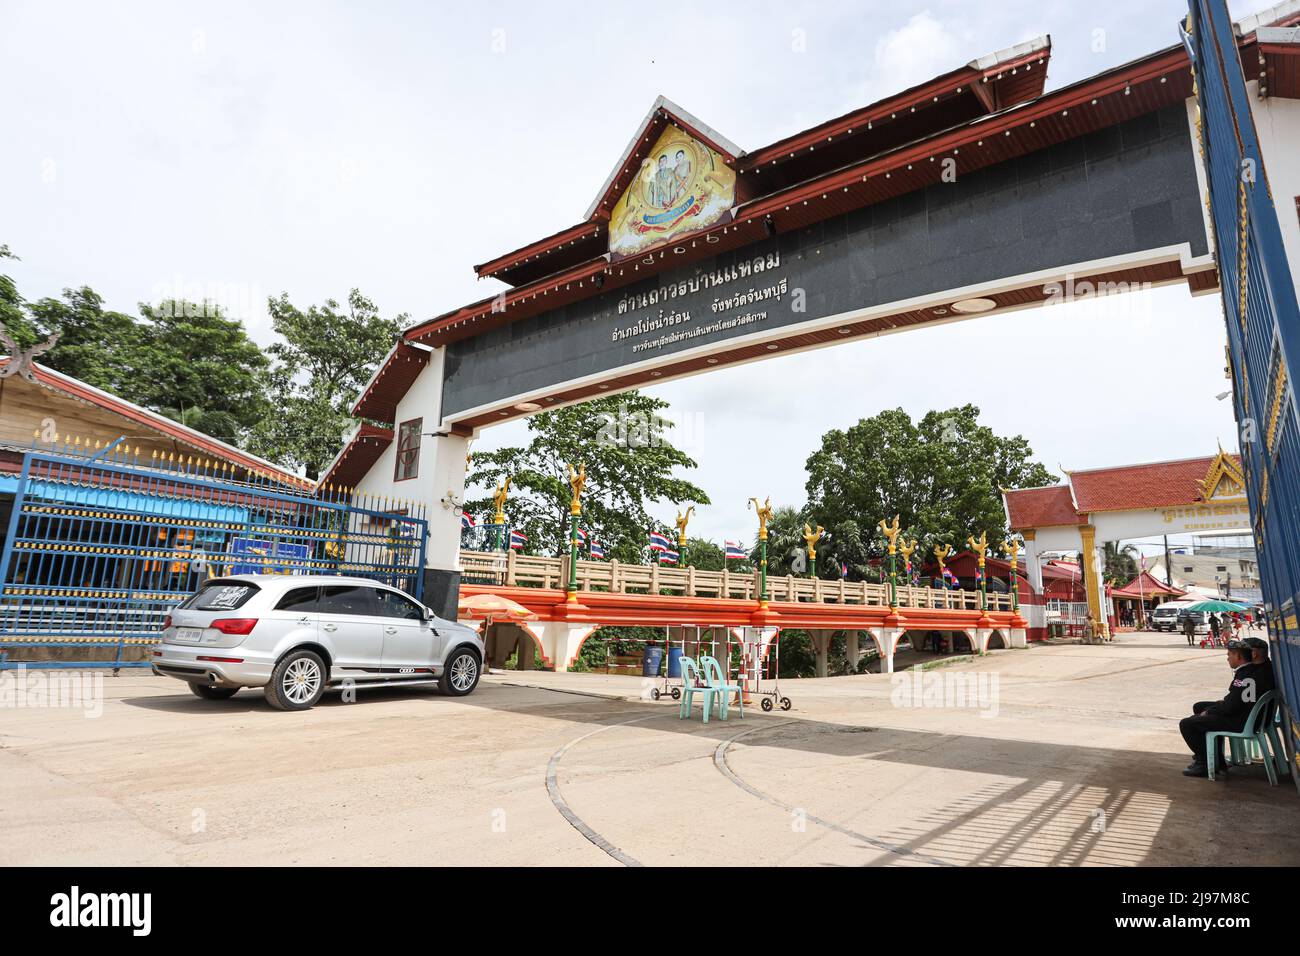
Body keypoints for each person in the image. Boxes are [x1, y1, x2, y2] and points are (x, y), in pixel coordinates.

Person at [1179, 640, 1264, 777]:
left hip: (1239, 720)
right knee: (1201, 709)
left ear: (1238, 657)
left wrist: (1211, 711)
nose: (1227, 658)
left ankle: (1204, 764)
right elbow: (1235, 700)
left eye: (1229, 654)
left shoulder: (1243, 676)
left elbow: (1231, 708)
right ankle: (1216, 759)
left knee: (1187, 724)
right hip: (1246, 715)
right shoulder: (1252, 671)